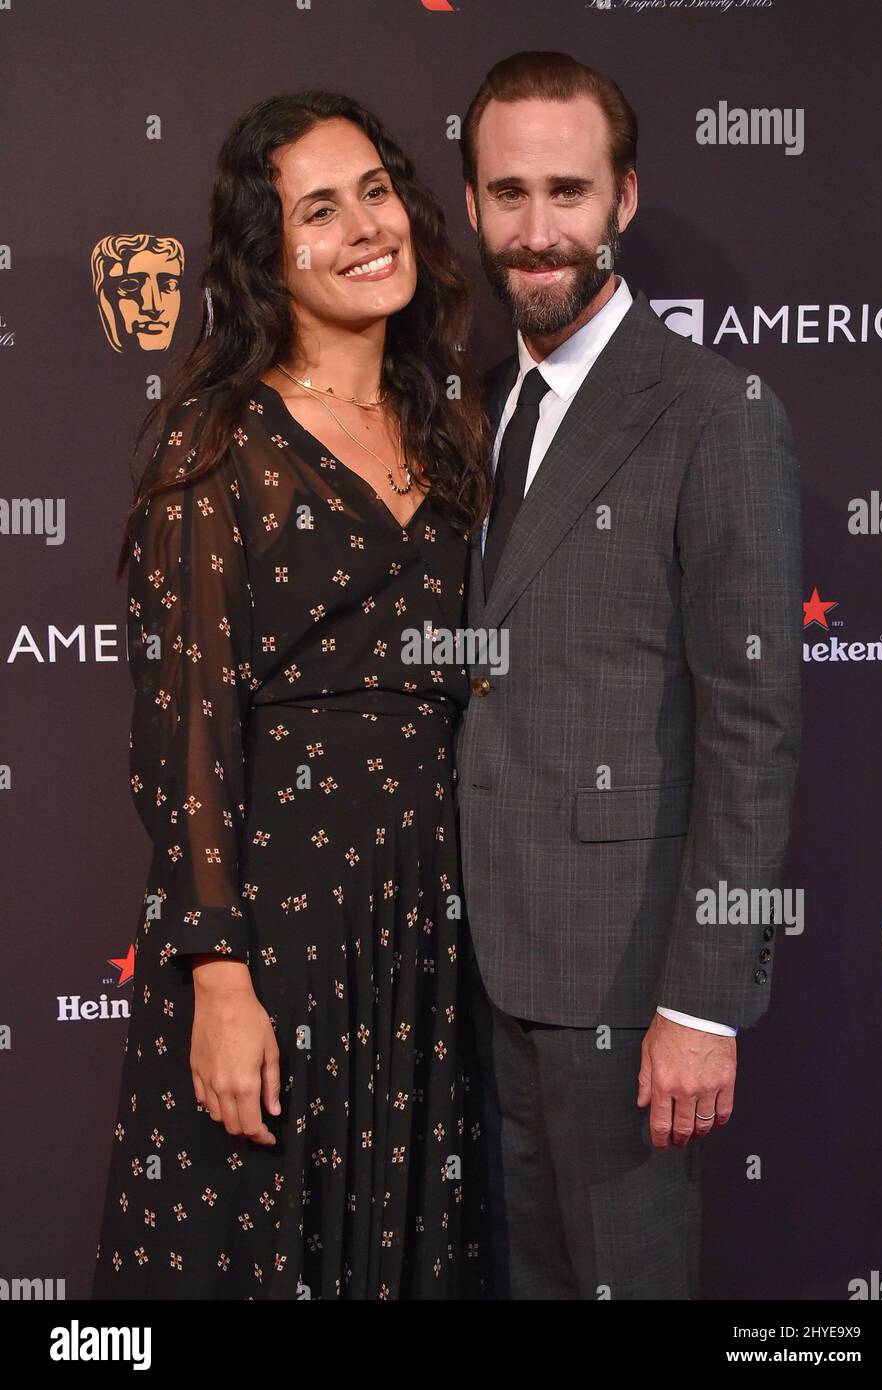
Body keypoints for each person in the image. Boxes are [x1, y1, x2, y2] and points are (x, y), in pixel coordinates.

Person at [93, 90, 492, 1301]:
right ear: (269, 255)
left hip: (437, 919)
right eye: (318, 210)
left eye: (375, 190)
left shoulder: (457, 427)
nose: (367, 227)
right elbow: (186, 727)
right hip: (285, 927)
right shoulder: (218, 442)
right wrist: (217, 976)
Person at [454, 51, 803, 1299]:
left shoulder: (713, 412)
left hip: (626, 978)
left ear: (624, 200)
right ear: (475, 208)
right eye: (507, 194)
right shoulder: (485, 405)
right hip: (483, 968)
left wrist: (703, 1005)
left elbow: (750, 725)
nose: (537, 230)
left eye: (567, 190)